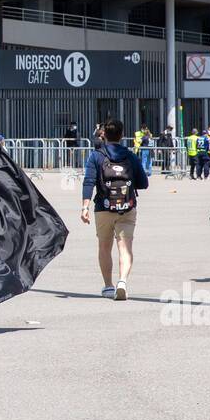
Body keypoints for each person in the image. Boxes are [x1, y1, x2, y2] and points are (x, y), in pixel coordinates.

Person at [80, 119, 148, 300]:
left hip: (103, 207)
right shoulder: (131, 156)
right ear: (122, 135)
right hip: (127, 207)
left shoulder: (96, 156)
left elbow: (89, 181)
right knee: (125, 247)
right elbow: (143, 183)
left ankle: (108, 286)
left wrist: (85, 206)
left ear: (104, 135)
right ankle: (123, 282)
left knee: (104, 247)